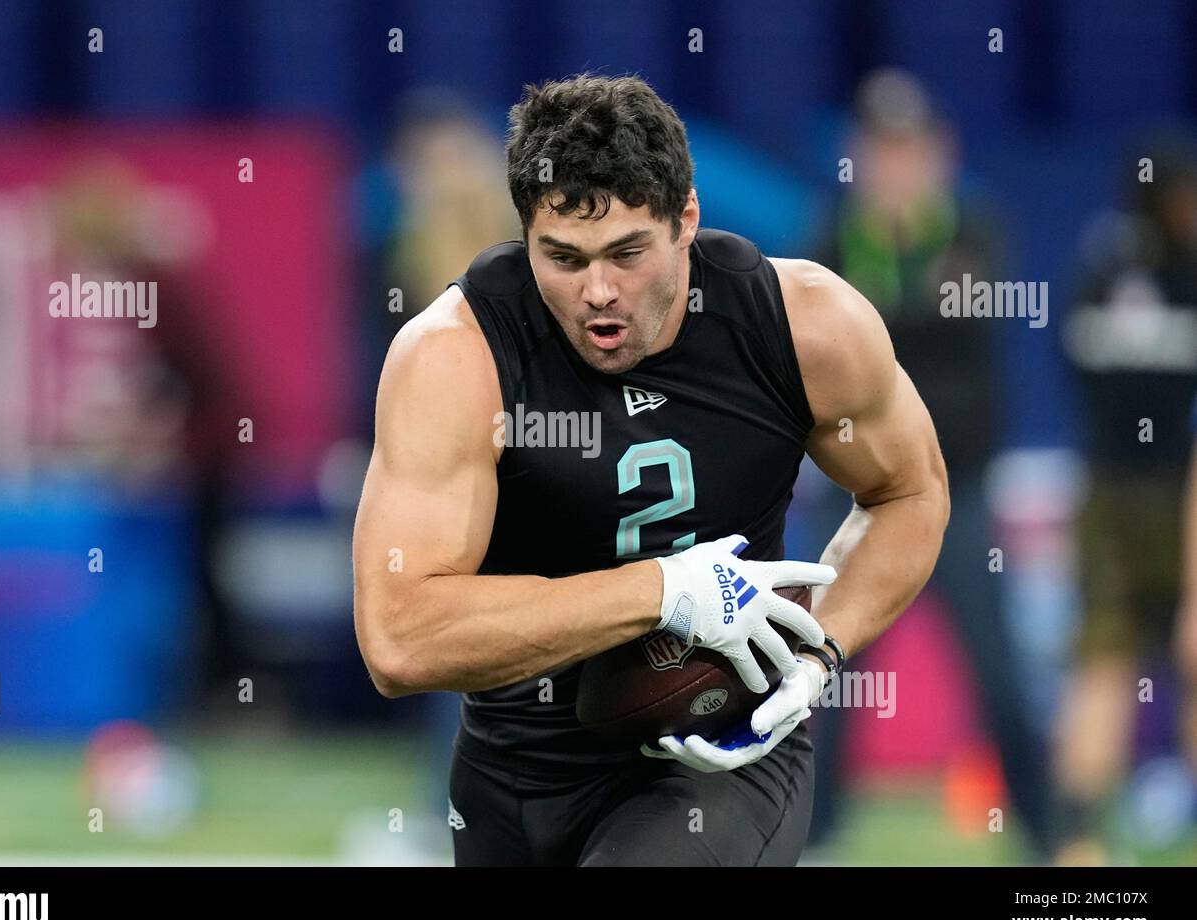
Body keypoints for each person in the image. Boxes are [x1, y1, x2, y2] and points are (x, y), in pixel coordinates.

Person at [352, 73, 949, 866]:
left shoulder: (801, 324)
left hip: (720, 750)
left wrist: (818, 653)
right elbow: (398, 639)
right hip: (516, 763)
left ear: (686, 220)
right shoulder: (457, 356)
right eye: (562, 256)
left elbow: (910, 489)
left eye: (627, 253)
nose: (598, 291)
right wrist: (666, 593)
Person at [808, 69, 1054, 857]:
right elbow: (824, 356)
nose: (895, 169)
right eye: (882, 151)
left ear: (939, 155)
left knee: (1001, 675)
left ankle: (1050, 839)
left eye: (909, 150)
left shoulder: (970, 232)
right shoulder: (835, 235)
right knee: (822, 671)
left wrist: (878, 319)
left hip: (957, 494)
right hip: (856, 496)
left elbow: (939, 340)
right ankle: (810, 838)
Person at [1054, 136, 1197, 863]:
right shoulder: (1152, 267)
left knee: (1109, 661)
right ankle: (1080, 833)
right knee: (1107, 662)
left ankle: (1081, 835)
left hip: (1131, 487)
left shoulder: (1096, 265)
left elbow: (1073, 366)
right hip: (1151, 488)